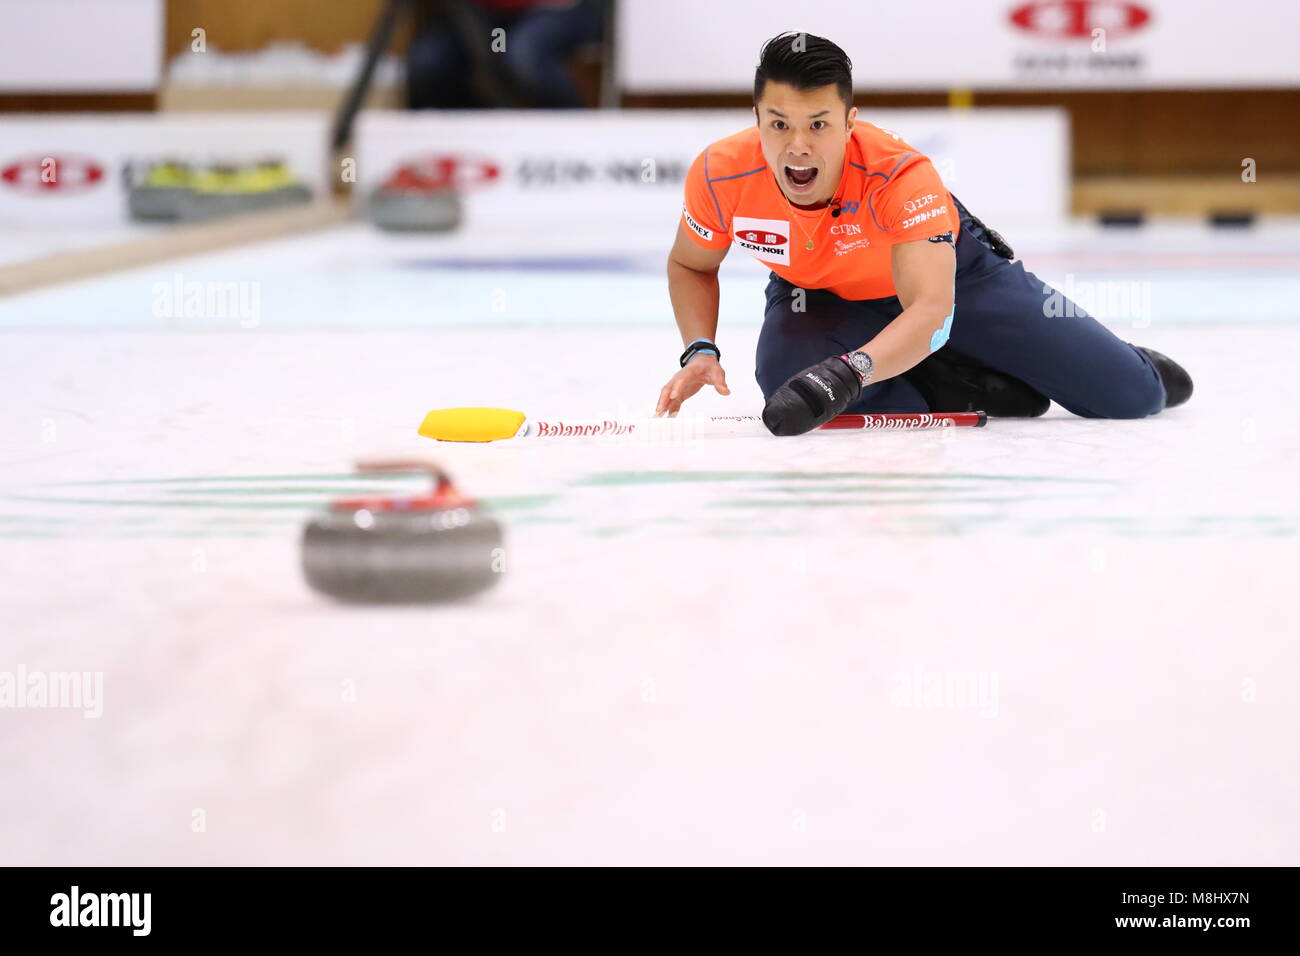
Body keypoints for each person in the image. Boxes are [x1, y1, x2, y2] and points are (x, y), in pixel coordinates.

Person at [654, 32, 1192, 435]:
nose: (797, 146)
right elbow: (691, 264)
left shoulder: (901, 177)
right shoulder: (721, 172)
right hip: (820, 297)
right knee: (791, 384)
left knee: (1128, 398)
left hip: (955, 284)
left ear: (849, 122)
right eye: (778, 125)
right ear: (756, 119)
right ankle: (953, 381)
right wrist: (699, 348)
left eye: (818, 124)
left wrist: (851, 371)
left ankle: (1126, 364)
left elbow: (931, 312)